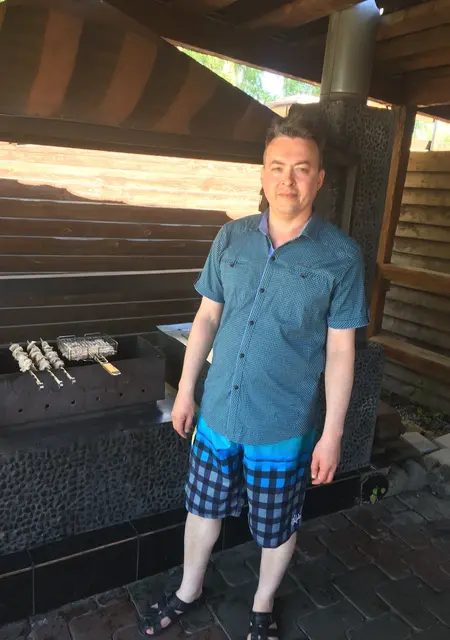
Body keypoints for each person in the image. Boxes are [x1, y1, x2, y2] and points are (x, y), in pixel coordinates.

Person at [139, 110, 369, 639]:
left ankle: (262, 607)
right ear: (263, 173)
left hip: (283, 424)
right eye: (278, 167)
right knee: (202, 509)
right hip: (219, 410)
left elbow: (341, 351)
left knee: (276, 525)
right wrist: (186, 392)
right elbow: (206, 318)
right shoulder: (231, 237)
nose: (289, 180)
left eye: (302, 168)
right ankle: (189, 590)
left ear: (319, 178)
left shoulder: (341, 257)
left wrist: (332, 433)